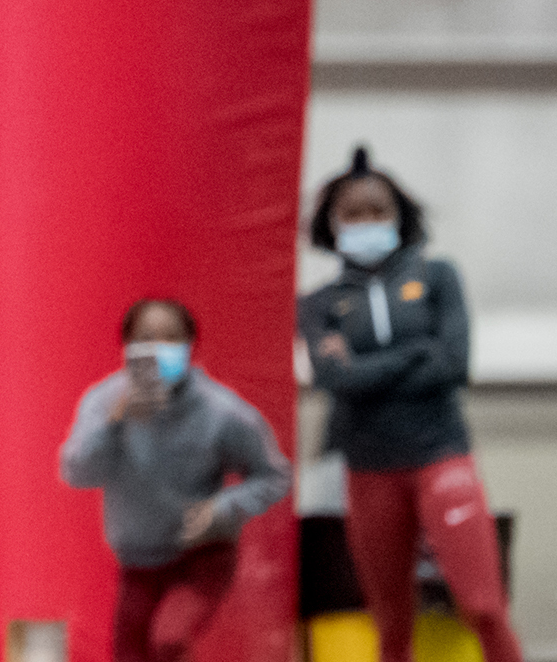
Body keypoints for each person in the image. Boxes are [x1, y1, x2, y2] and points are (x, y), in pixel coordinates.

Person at [300, 148, 524, 662]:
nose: (367, 223)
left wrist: (362, 368)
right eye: (353, 214)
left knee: (484, 606)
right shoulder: (318, 305)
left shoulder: (440, 276)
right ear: (332, 226)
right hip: (369, 468)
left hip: (440, 453)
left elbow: (453, 364)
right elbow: (335, 381)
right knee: (391, 621)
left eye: (378, 211)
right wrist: (414, 353)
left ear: (400, 216)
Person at [61, 299, 290, 662]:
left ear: (189, 348)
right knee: (130, 653)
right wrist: (114, 422)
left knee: (169, 638)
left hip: (200, 554)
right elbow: (77, 472)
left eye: (171, 339)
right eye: (146, 339)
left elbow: (274, 475)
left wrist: (223, 507)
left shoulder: (221, 412)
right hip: (138, 559)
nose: (157, 350)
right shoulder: (103, 401)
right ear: (127, 347)